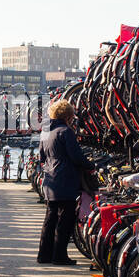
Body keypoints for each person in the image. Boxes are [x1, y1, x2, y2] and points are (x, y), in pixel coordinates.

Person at [37, 99, 94, 265]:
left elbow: (41, 156)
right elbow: (76, 156)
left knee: (50, 219)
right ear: (67, 116)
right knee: (65, 221)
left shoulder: (46, 131)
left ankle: (44, 255)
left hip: (50, 180)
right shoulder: (65, 131)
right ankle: (59, 256)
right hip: (65, 181)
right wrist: (90, 165)